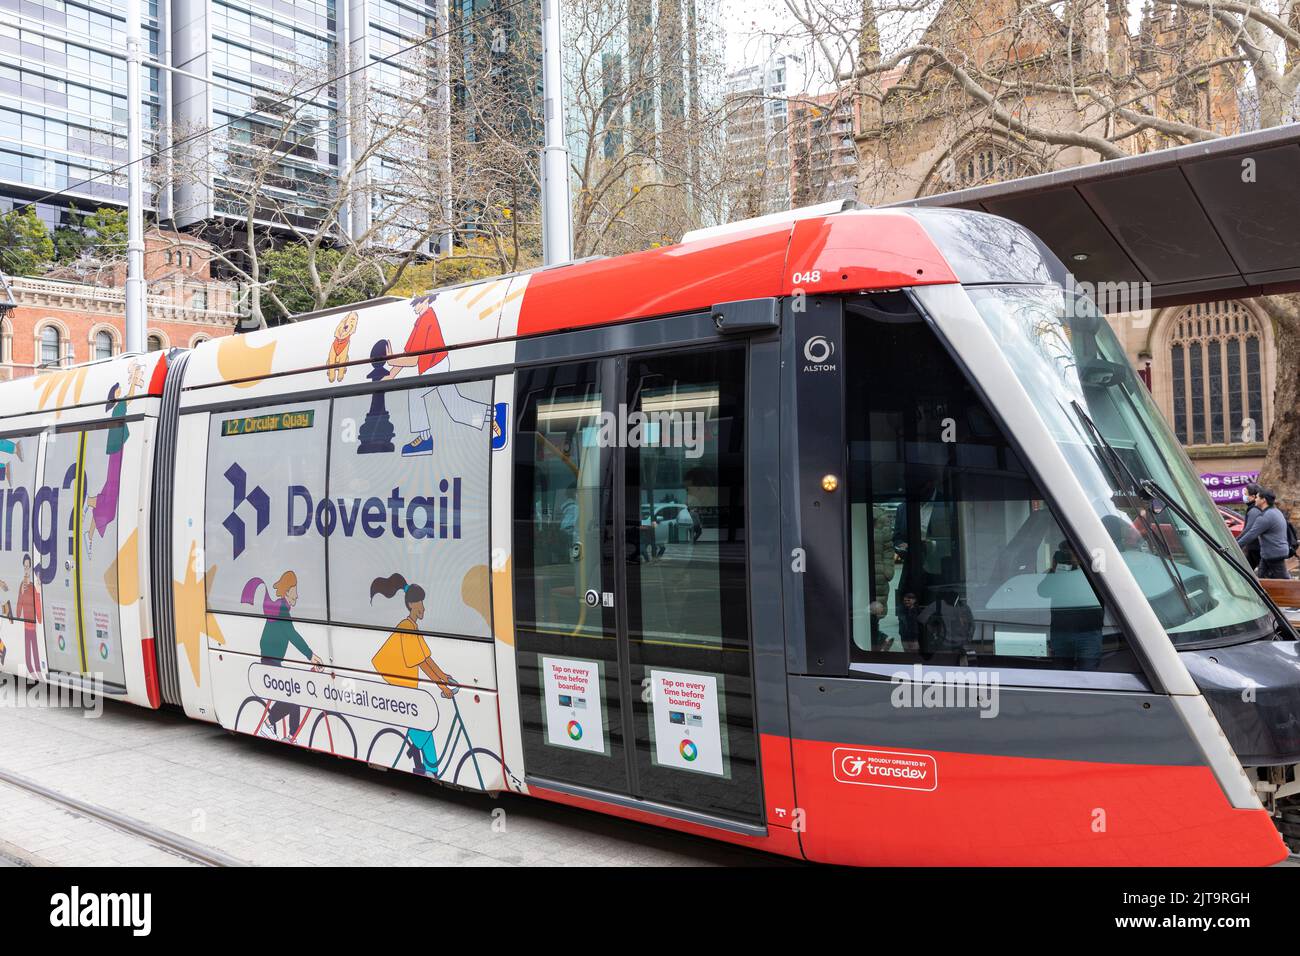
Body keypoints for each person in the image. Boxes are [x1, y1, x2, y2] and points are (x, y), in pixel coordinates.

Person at [370, 573, 456, 777]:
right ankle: (432, 769)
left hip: (409, 685)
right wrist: (443, 688)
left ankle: (416, 758)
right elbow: (422, 664)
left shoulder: (412, 626)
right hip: (402, 685)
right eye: (420, 603)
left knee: (419, 727)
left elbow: (427, 658)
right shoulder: (406, 627)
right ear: (411, 605)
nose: (423, 608)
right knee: (425, 728)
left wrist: (444, 676)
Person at [384, 294, 491, 457]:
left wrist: (392, 363)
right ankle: (495, 415)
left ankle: (425, 438)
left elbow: (413, 360)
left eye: (416, 304)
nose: (414, 308)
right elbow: (408, 352)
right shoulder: (421, 320)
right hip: (436, 365)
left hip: (436, 366)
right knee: (456, 408)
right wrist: (391, 374)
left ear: (426, 301)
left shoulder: (427, 319)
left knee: (415, 394)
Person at [242, 571, 323, 740]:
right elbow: (291, 633)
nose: (297, 595)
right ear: (287, 592)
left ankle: (290, 735)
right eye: (295, 590)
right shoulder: (281, 608)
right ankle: (270, 724)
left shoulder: (279, 607)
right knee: (293, 696)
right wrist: (311, 655)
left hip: (270, 661)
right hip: (270, 662)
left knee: (294, 696)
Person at [1237, 489, 1291, 580]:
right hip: (1269, 553)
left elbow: (1251, 534)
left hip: (1274, 554)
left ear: (1263, 500)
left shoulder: (1265, 517)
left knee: (1285, 581)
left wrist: (1235, 546)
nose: (1255, 499)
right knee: (1261, 579)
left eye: (1257, 497)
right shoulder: (1276, 512)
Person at [1240, 483, 1263, 570]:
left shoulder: (1253, 510)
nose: (1244, 496)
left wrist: (1236, 543)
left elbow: (1248, 530)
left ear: (1253, 497)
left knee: (1245, 571)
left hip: (1255, 548)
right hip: (1255, 547)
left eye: (1246, 494)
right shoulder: (1253, 509)